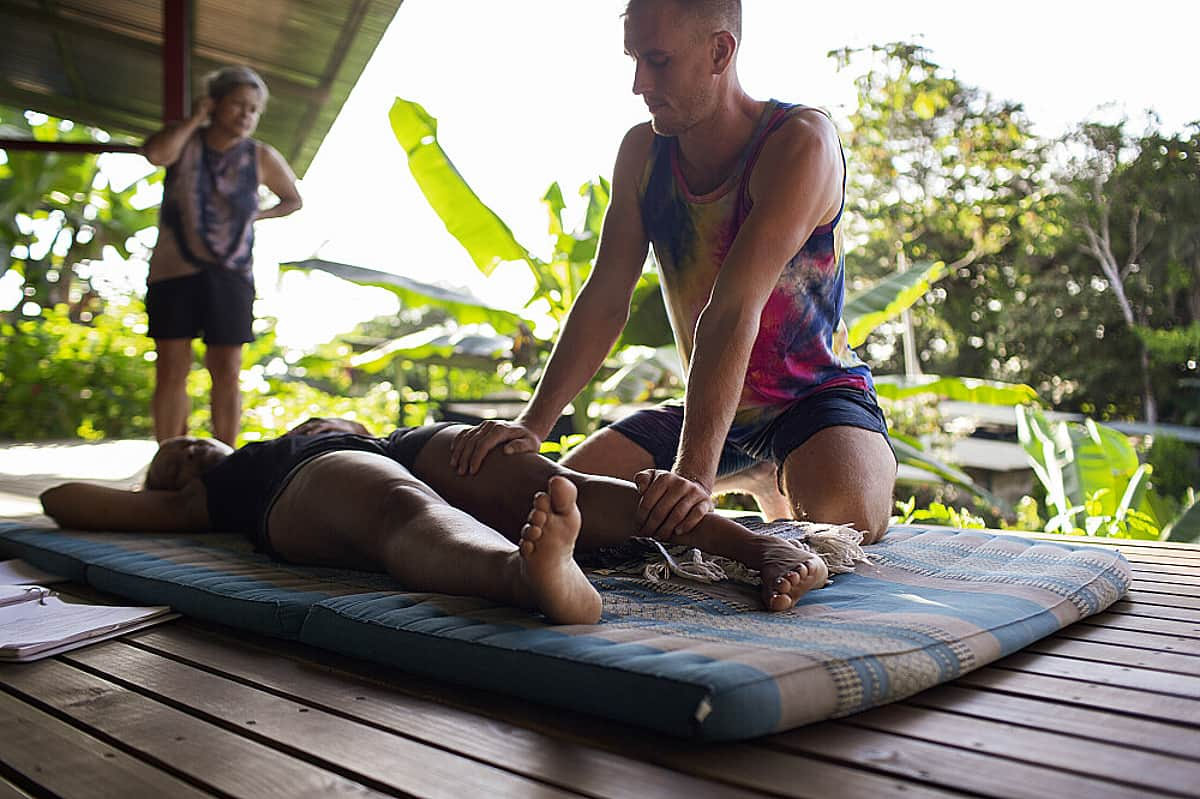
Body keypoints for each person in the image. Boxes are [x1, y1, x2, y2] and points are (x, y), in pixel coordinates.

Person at [449, 0, 896, 545]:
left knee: (842, 525)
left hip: (813, 400)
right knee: (549, 503)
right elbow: (605, 299)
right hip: (707, 411)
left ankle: (770, 472)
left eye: (657, 61)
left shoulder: (799, 142)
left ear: (719, 52)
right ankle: (752, 472)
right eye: (633, 59)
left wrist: (692, 478)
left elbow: (734, 307)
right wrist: (532, 425)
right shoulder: (642, 153)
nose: (639, 84)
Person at [39, 419, 830, 624]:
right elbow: (61, 502)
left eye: (188, 441)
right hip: (308, 481)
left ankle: (751, 543)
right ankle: (527, 576)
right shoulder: (217, 487)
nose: (189, 446)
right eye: (178, 452)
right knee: (400, 510)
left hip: (398, 439)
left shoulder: (296, 424)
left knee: (540, 475)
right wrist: (168, 491)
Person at [141, 65, 303, 447]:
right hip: (172, 271)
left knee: (227, 370)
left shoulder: (260, 156)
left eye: (253, 109)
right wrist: (196, 117)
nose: (245, 115)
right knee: (171, 368)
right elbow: (156, 154)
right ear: (215, 103)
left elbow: (293, 199)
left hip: (231, 275)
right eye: (236, 105)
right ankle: (168, 456)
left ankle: (225, 460)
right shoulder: (185, 142)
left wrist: (256, 216)